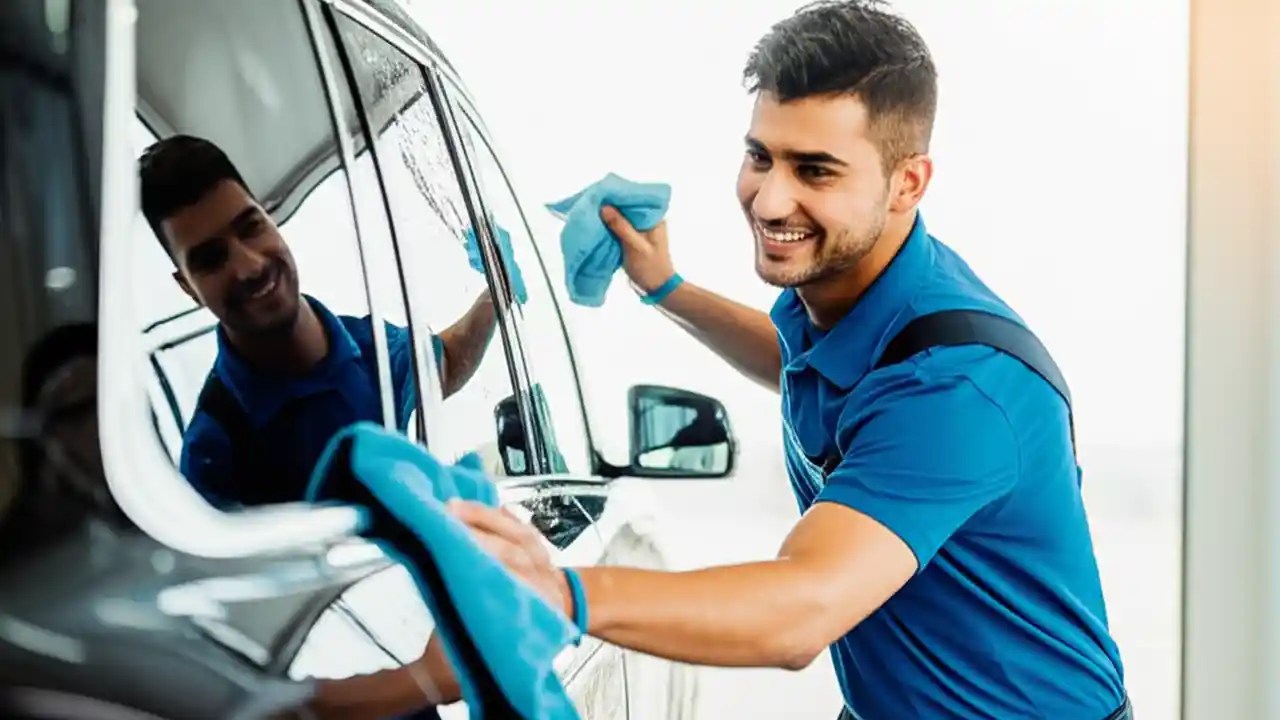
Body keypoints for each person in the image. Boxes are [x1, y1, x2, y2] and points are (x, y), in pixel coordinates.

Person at [453, 2, 1130, 718]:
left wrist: (558, 592)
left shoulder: (956, 388)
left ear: (909, 182)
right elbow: (800, 362)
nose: (770, 199)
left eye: (815, 170)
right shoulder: (854, 300)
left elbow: (800, 614)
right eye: (759, 156)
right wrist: (666, 289)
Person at [139, 135, 499, 509]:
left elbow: (446, 363)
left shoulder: (373, 343)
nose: (250, 266)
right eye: (211, 259)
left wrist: (497, 293)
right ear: (188, 287)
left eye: (251, 227)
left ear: (269, 217)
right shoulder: (212, 456)